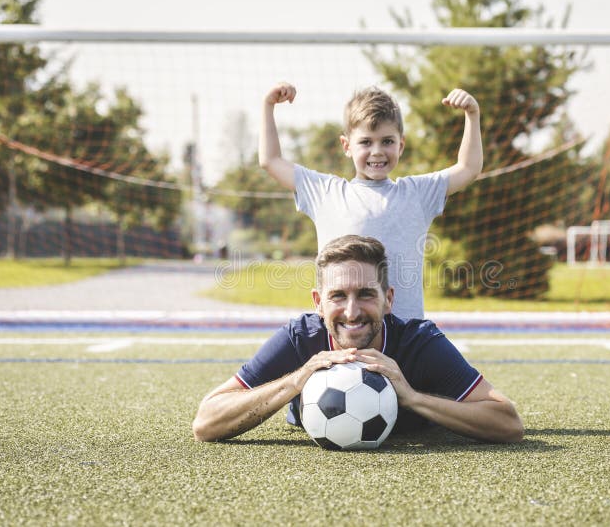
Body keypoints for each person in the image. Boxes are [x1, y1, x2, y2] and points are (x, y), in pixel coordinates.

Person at [192, 235, 523, 444]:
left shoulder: (420, 343)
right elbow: (206, 422)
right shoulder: (300, 338)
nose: (352, 312)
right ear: (318, 303)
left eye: (365, 294)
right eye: (337, 296)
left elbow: (508, 422)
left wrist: (412, 398)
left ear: (388, 299)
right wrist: (296, 381)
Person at [258, 82, 483, 321]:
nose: (377, 151)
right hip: (346, 331)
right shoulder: (325, 192)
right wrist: (268, 105)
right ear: (347, 146)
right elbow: (271, 160)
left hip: (405, 333)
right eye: (366, 142)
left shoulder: (417, 193)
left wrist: (472, 114)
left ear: (401, 145)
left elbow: (469, 168)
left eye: (387, 141)